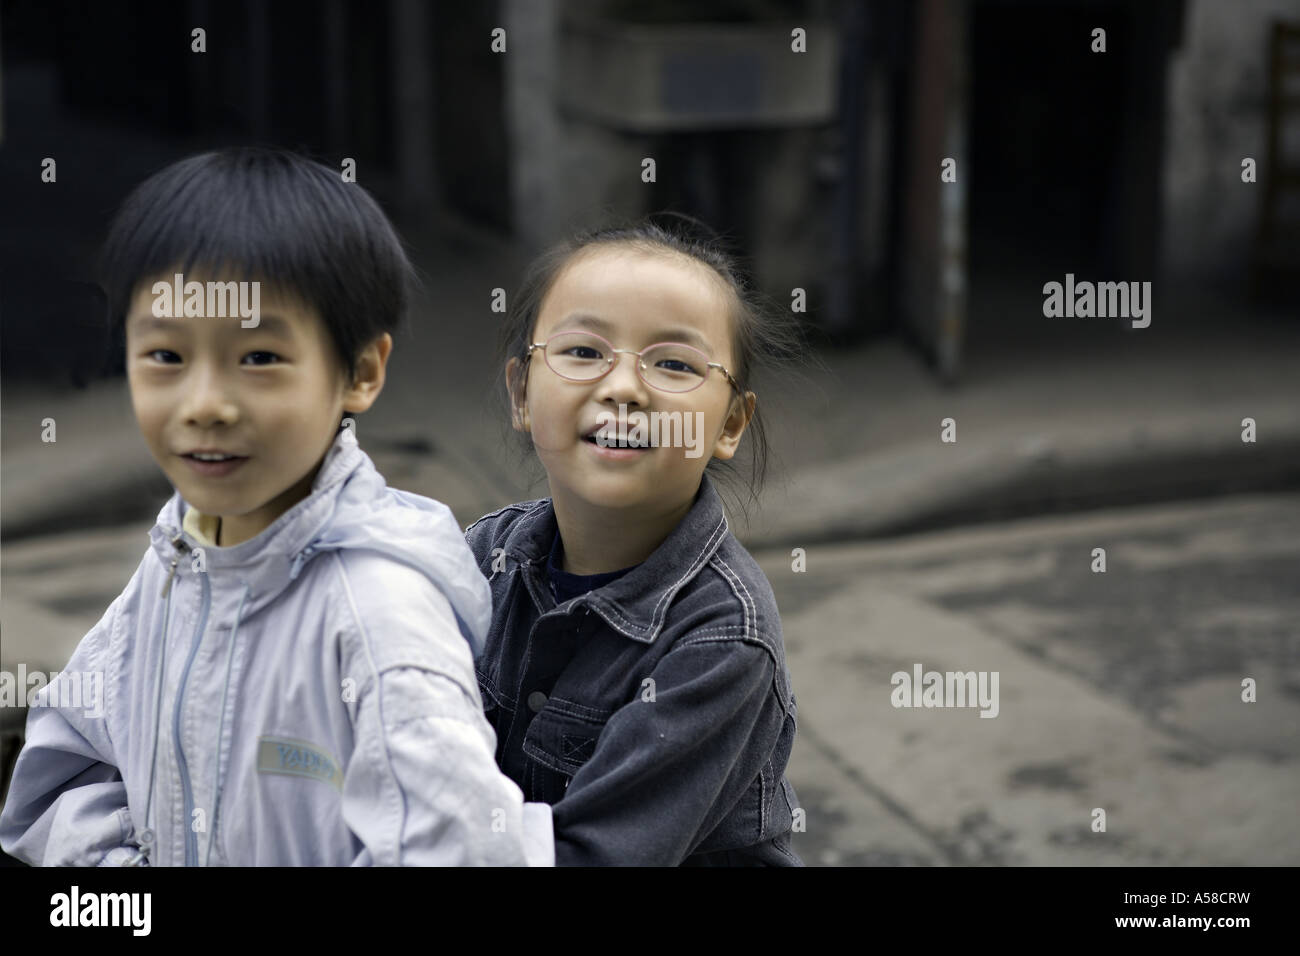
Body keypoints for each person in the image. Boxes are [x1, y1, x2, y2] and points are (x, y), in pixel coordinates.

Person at [0, 147, 552, 866]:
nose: (205, 405)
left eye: (258, 358)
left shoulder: (377, 610)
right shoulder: (178, 558)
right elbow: (64, 773)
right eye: (165, 357)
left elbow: (465, 848)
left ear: (361, 372)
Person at [465, 216, 806, 865]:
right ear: (521, 394)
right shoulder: (482, 558)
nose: (622, 388)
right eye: (583, 352)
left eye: (673, 363)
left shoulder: (720, 638)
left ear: (730, 424)